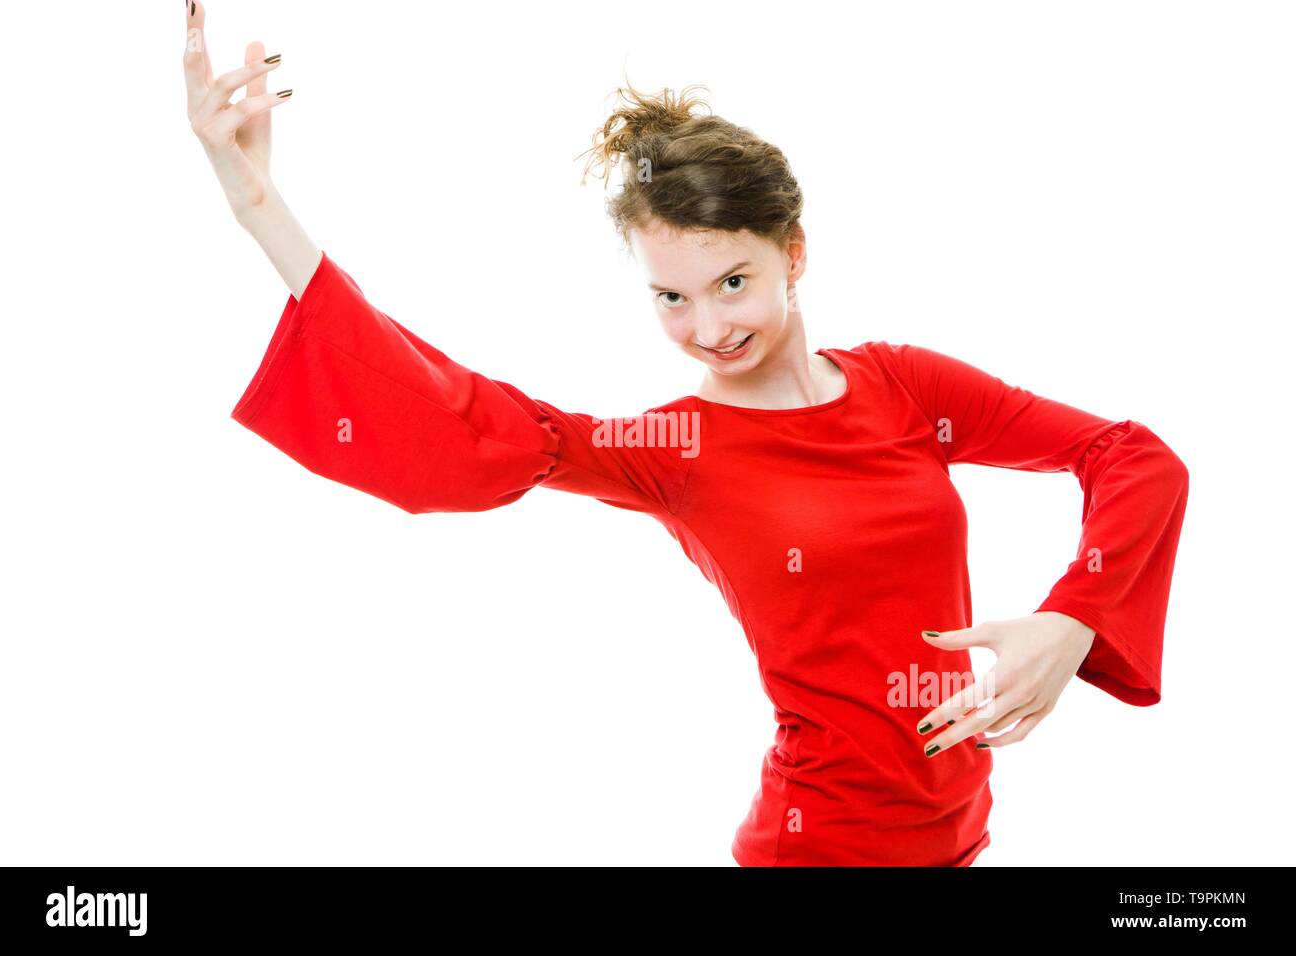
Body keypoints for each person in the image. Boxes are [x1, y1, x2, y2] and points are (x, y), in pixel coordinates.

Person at [184, 1, 1190, 866]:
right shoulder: (670, 449)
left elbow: (1134, 457)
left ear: (793, 255)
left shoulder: (904, 385)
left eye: (734, 282)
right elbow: (461, 415)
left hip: (963, 836)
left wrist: (1075, 619)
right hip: (820, 844)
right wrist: (258, 203)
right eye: (671, 295)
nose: (707, 328)